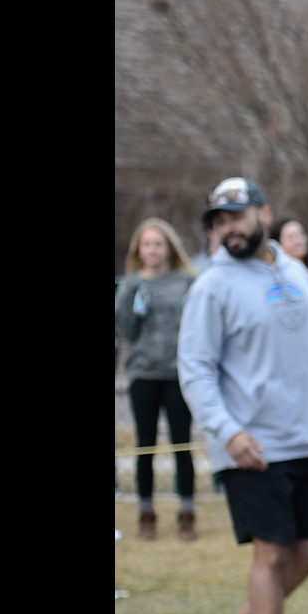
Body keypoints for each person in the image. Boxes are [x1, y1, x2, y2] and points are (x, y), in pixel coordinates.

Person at [182, 177, 308, 614]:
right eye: (219, 221)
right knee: (270, 556)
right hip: (253, 444)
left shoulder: (294, 270)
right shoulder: (212, 285)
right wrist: (227, 432)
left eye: (236, 217)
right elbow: (195, 368)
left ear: (264, 214)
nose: (228, 228)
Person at [117, 217, 200, 541]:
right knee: (145, 444)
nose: (152, 250)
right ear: (139, 249)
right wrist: (133, 305)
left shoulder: (187, 282)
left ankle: (187, 512)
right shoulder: (131, 284)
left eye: (158, 244)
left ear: (169, 248)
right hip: (143, 374)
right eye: (147, 244)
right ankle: (146, 512)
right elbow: (126, 331)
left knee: (182, 443)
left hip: (178, 374)